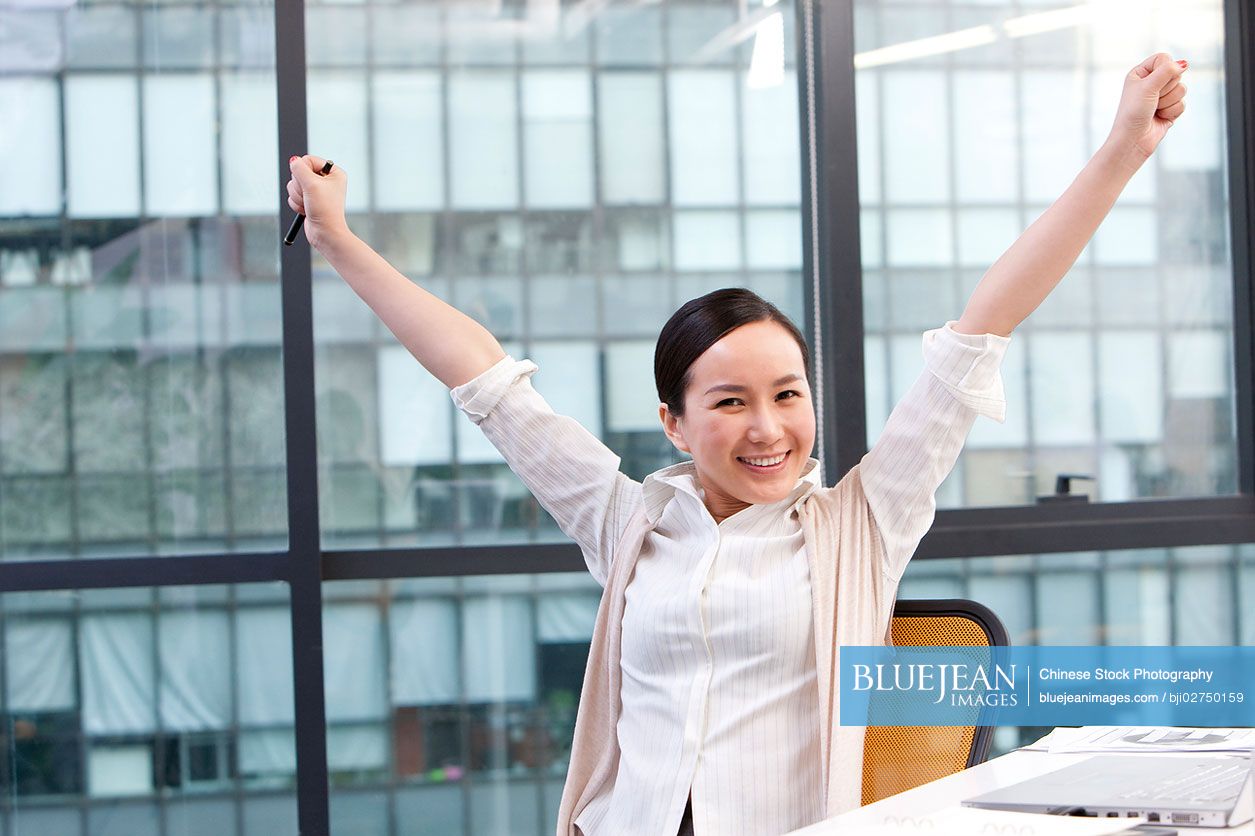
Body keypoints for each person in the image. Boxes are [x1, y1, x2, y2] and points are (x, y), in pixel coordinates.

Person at [287, 53, 1188, 836]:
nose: (768, 428)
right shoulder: (626, 522)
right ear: (673, 423)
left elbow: (983, 324)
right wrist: (336, 238)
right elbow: (481, 375)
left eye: (787, 395)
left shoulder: (861, 523)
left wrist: (1121, 151)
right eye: (729, 401)